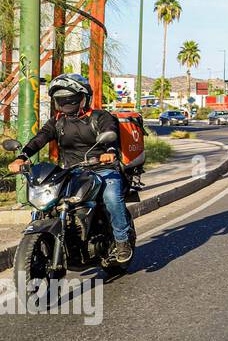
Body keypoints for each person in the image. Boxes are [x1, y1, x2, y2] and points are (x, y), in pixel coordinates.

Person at [6, 73, 133, 262]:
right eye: (62, 99)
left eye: (71, 98)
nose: (66, 103)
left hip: (102, 168)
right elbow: (39, 139)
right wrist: (22, 157)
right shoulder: (57, 122)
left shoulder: (100, 117)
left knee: (111, 197)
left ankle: (122, 242)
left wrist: (110, 152)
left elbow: (111, 134)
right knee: (50, 200)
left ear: (83, 98)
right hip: (70, 170)